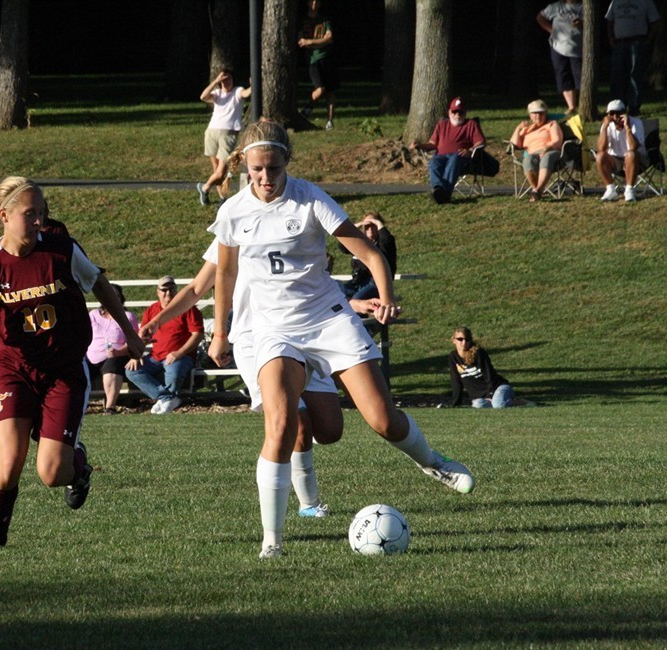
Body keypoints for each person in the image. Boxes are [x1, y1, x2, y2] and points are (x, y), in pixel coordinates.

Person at [207, 120, 474, 559]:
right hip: (274, 330)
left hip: (327, 319)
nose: (266, 178)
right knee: (281, 425)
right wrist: (220, 332)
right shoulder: (233, 211)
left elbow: (370, 254)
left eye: (273, 168)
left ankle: (434, 464)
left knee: (382, 420)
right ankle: (272, 541)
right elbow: (225, 275)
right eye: (256, 170)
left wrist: (385, 297)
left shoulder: (310, 198)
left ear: (286, 162)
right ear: (242, 165)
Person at [0, 176, 144, 549]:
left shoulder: (62, 251)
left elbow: (99, 284)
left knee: (51, 473)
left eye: (42, 213)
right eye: (29, 214)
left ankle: (77, 467)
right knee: (10, 461)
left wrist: (129, 334)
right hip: (13, 370)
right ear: (4, 215)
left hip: (63, 371)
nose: (38, 221)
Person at [141, 238, 390, 519]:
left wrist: (353, 304)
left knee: (330, 430)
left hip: (301, 331)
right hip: (255, 340)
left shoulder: (293, 218)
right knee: (297, 422)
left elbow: (304, 287)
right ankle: (308, 505)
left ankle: (300, 462)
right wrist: (158, 321)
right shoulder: (234, 227)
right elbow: (196, 288)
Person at [126, 276, 204, 415]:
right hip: (155, 356)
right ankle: (167, 398)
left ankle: (165, 400)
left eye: (172, 289)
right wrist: (136, 355)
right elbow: (143, 336)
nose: (168, 293)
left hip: (182, 356)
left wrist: (179, 353)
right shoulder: (151, 310)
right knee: (132, 370)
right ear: (158, 292)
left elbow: (197, 335)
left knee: (173, 369)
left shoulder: (188, 308)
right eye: (164, 290)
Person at [409, 97, 486, 204]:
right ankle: (438, 190)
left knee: (455, 158)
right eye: (455, 112)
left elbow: (481, 142)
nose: (457, 115)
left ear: (465, 112)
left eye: (460, 112)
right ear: (449, 112)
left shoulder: (471, 124)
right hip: (441, 157)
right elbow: (432, 144)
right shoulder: (442, 124)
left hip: (461, 158)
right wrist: (420, 146)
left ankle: (444, 194)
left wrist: (470, 150)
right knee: (433, 162)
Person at [196, 69, 251, 206]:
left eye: (229, 79)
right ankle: (222, 199)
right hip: (212, 132)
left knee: (221, 172)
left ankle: (204, 188)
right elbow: (203, 97)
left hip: (229, 133)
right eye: (224, 80)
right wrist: (215, 81)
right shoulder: (217, 94)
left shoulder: (237, 91)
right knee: (217, 170)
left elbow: (247, 93)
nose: (227, 82)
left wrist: (253, 84)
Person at [87, 283, 139, 414]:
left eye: (116, 297)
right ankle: (75, 406)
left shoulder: (127, 317)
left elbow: (133, 341)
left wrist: (118, 352)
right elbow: (83, 335)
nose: (112, 299)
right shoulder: (93, 315)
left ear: (121, 299)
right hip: (91, 356)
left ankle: (110, 407)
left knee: (112, 366)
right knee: (77, 370)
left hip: (116, 356)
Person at [606, 0, 660, 116]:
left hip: (637, 42)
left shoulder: (646, 2)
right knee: (617, 75)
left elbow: (655, 21)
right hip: (619, 42)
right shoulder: (615, 2)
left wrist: (648, 39)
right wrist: (610, 37)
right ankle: (617, 107)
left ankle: (634, 107)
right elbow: (609, 20)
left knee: (635, 74)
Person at [509, 100, 564, 202]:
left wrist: (547, 148)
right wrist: (518, 128)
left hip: (551, 151)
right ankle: (537, 190)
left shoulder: (552, 124)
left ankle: (537, 190)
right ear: (530, 115)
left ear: (545, 114)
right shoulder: (526, 129)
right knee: (528, 159)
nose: (538, 116)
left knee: (546, 157)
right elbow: (515, 144)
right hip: (532, 153)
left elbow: (557, 141)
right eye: (534, 113)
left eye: (541, 113)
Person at [447, 327, 514, 409]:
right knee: (478, 405)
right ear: (454, 340)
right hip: (480, 397)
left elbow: (489, 376)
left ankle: (518, 402)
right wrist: (455, 404)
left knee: (498, 405)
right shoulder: (453, 357)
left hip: (497, 388)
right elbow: (456, 382)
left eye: (467, 339)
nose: (464, 342)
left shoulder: (478, 353)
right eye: (460, 339)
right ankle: (496, 401)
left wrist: (491, 394)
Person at [596, 99, 647, 203]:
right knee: (600, 156)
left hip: (635, 160)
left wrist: (627, 128)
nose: (615, 117)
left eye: (618, 113)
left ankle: (629, 190)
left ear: (624, 113)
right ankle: (610, 189)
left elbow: (633, 147)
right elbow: (601, 148)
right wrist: (605, 127)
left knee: (630, 154)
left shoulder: (636, 123)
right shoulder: (607, 125)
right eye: (612, 114)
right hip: (615, 160)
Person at [537, 1, 584, 115]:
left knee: (580, 78)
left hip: (578, 49)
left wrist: (582, 23)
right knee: (563, 76)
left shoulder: (584, 7)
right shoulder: (556, 6)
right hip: (558, 47)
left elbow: (593, 24)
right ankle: (571, 107)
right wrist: (552, 30)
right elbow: (540, 17)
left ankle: (584, 106)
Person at [338, 212, 396, 300]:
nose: (370, 229)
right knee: (339, 295)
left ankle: (359, 313)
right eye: (367, 226)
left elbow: (387, 239)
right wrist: (357, 226)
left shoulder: (384, 244)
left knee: (358, 299)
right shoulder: (361, 243)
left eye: (373, 225)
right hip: (358, 281)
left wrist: (378, 223)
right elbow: (342, 246)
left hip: (378, 282)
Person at [298, 0, 336, 130]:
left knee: (330, 91)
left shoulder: (324, 20)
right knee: (320, 89)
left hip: (327, 58)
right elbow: (302, 41)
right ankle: (308, 109)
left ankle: (329, 121)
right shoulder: (302, 20)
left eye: (317, 1)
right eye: (311, 0)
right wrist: (321, 42)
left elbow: (329, 37)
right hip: (313, 60)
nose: (314, 3)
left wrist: (311, 41)